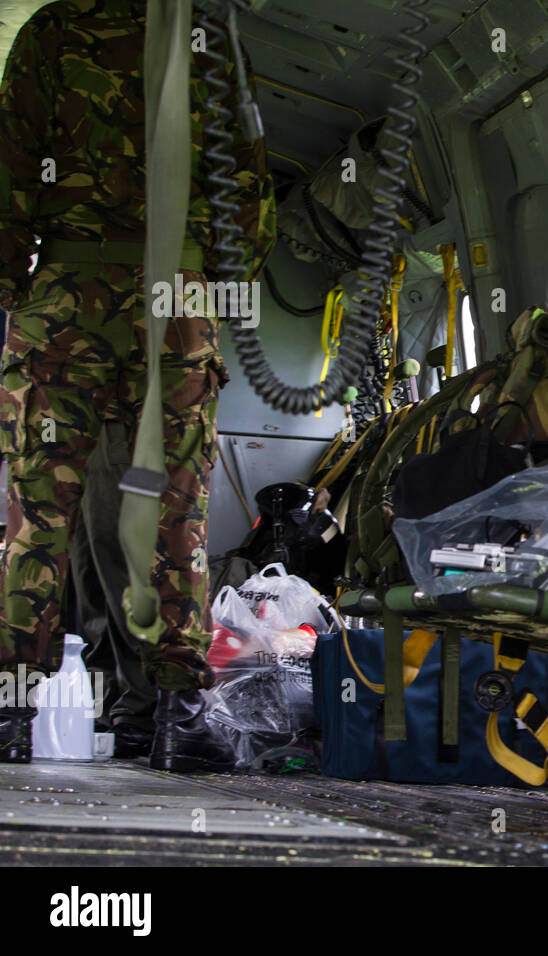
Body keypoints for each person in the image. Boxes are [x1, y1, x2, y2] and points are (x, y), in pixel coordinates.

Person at [0, 0, 275, 770]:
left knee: (37, 512)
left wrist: (15, 281)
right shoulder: (209, 38)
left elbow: (10, 163)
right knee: (175, 516)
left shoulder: (55, 30)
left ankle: (11, 706)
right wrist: (219, 278)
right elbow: (244, 183)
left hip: (67, 302)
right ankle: (178, 715)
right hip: (177, 305)